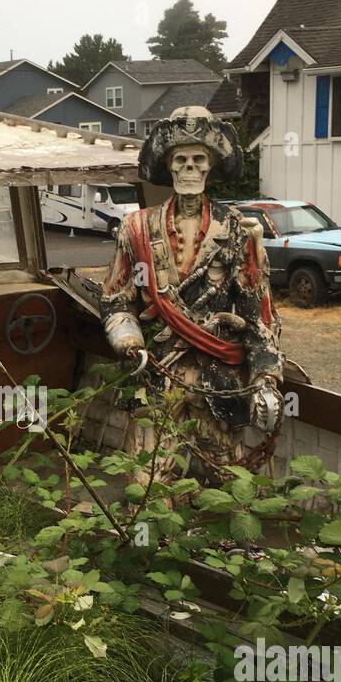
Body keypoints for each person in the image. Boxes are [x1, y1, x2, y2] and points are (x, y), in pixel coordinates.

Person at [100, 105, 282, 483]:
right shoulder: (136, 228)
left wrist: (267, 381)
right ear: (168, 166)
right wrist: (129, 340)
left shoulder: (237, 229)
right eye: (180, 158)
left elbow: (258, 317)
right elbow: (116, 299)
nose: (189, 167)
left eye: (199, 158)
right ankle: (154, 539)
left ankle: (227, 543)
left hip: (219, 381)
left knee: (231, 484)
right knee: (147, 484)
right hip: (155, 374)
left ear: (211, 166)